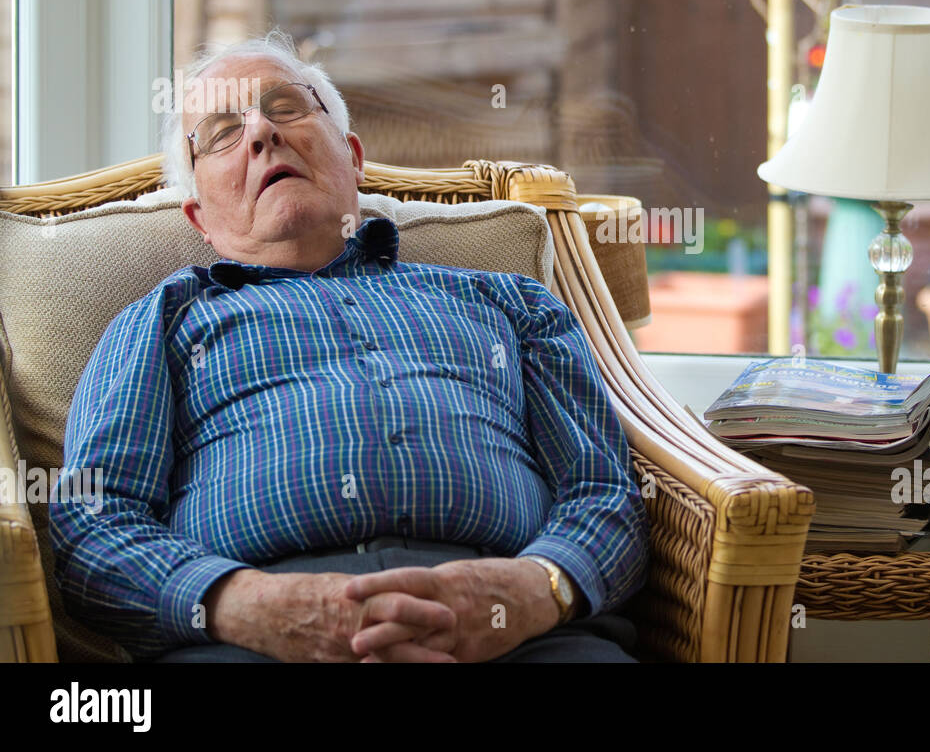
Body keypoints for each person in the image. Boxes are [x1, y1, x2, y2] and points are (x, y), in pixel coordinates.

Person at [49, 33, 649, 663]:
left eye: (285, 107)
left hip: (514, 630)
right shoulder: (164, 321)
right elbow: (93, 522)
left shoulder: (511, 303)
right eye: (223, 131)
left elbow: (604, 490)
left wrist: (532, 589)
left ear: (353, 157)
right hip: (256, 641)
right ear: (200, 216)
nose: (260, 133)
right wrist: (252, 606)